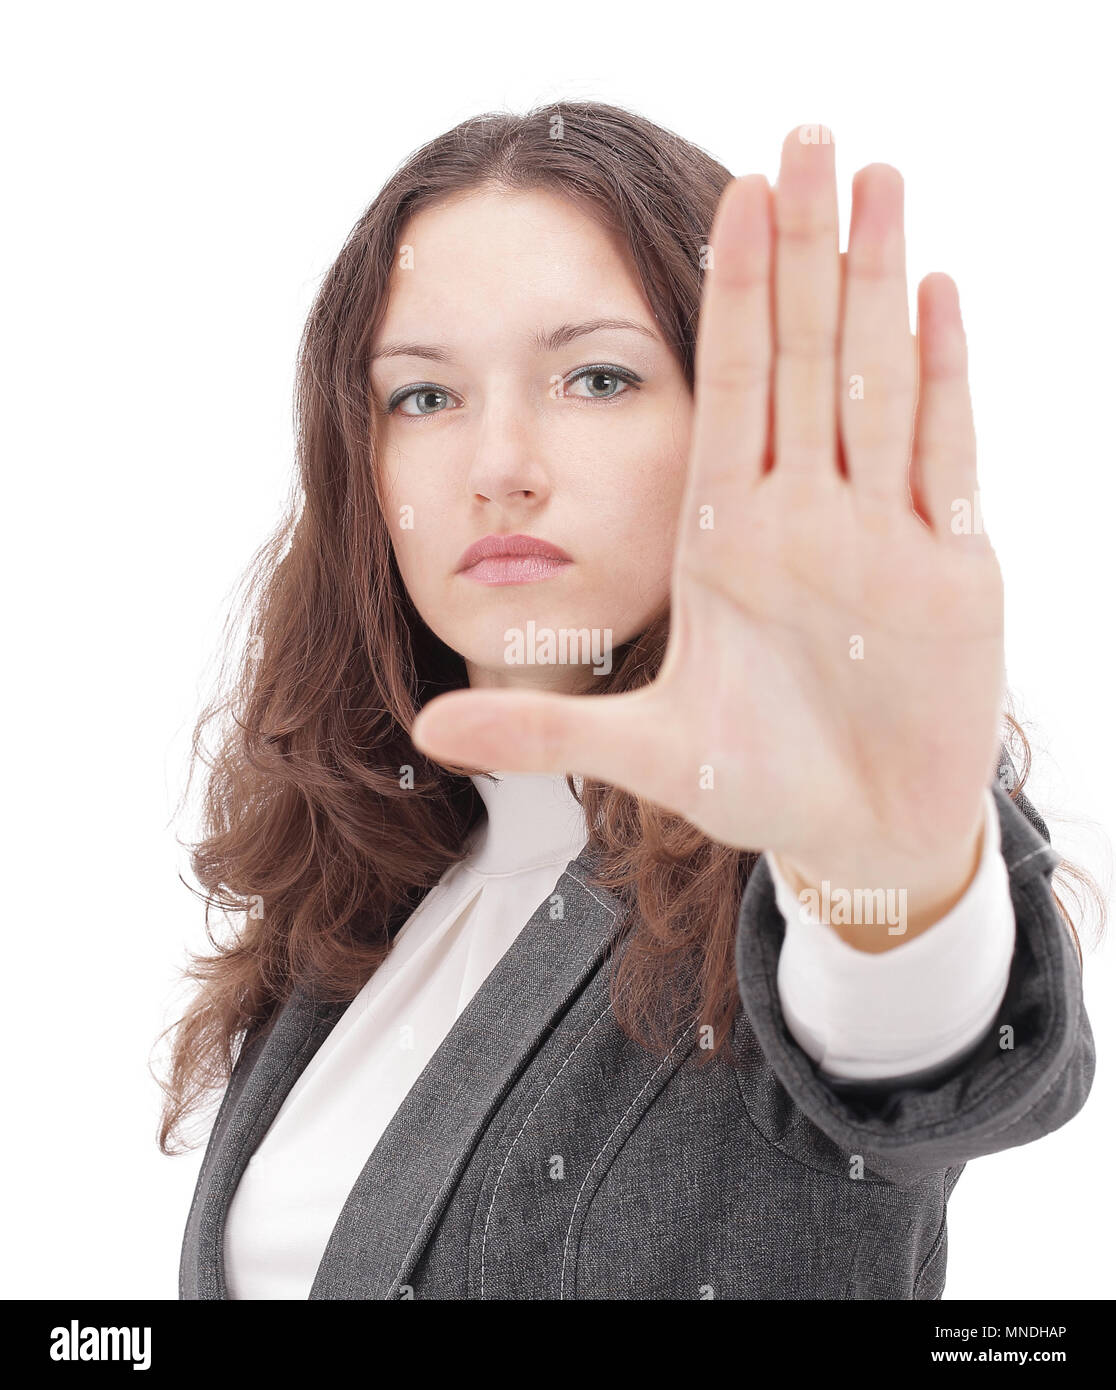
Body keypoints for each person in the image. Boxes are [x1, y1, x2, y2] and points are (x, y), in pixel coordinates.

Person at [164, 103, 1098, 1300]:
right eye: (425, 397)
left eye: (596, 377)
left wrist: (888, 873)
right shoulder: (360, 919)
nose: (500, 462)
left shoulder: (791, 881)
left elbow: (919, 1045)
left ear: (737, 424)